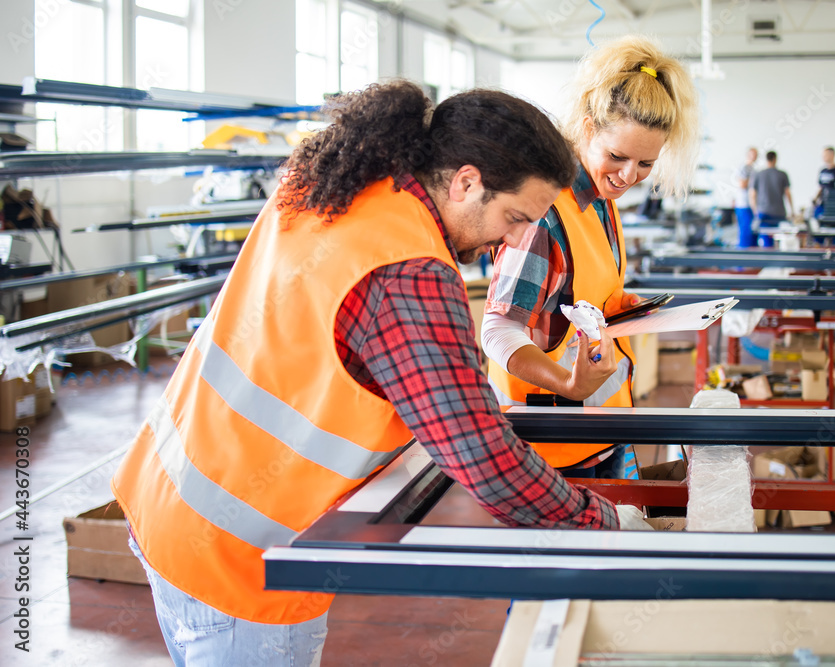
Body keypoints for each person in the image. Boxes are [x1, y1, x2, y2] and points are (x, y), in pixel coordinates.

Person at [111, 82, 652, 667]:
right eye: (515, 217)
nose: (518, 240)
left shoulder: (338, 183)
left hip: (166, 491)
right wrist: (603, 520)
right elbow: (480, 454)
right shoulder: (408, 269)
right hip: (238, 556)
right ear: (467, 181)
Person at [483, 36, 699, 478]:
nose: (628, 176)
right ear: (586, 128)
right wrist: (567, 382)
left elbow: (575, 298)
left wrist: (620, 310)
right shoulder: (546, 214)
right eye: (617, 156)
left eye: (645, 164)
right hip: (549, 446)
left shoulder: (601, 201)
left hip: (600, 426)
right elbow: (499, 328)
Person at [749, 150, 793, 247]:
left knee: (766, 241)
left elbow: (752, 195)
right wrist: (792, 211)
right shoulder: (782, 174)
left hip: (764, 212)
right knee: (781, 239)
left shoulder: (758, 174)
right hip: (779, 213)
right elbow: (787, 193)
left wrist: (755, 211)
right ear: (775, 159)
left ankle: (768, 258)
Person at [813, 146, 835, 217]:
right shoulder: (823, 171)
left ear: (832, 155)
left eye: (826, 155)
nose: (824, 157)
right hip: (823, 203)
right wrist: (815, 199)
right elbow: (821, 187)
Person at [735, 147, 758, 248]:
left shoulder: (752, 168)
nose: (754, 156)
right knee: (746, 233)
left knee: (752, 234)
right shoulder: (745, 167)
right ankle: (742, 262)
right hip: (744, 205)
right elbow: (742, 184)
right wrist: (755, 181)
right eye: (752, 154)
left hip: (750, 205)